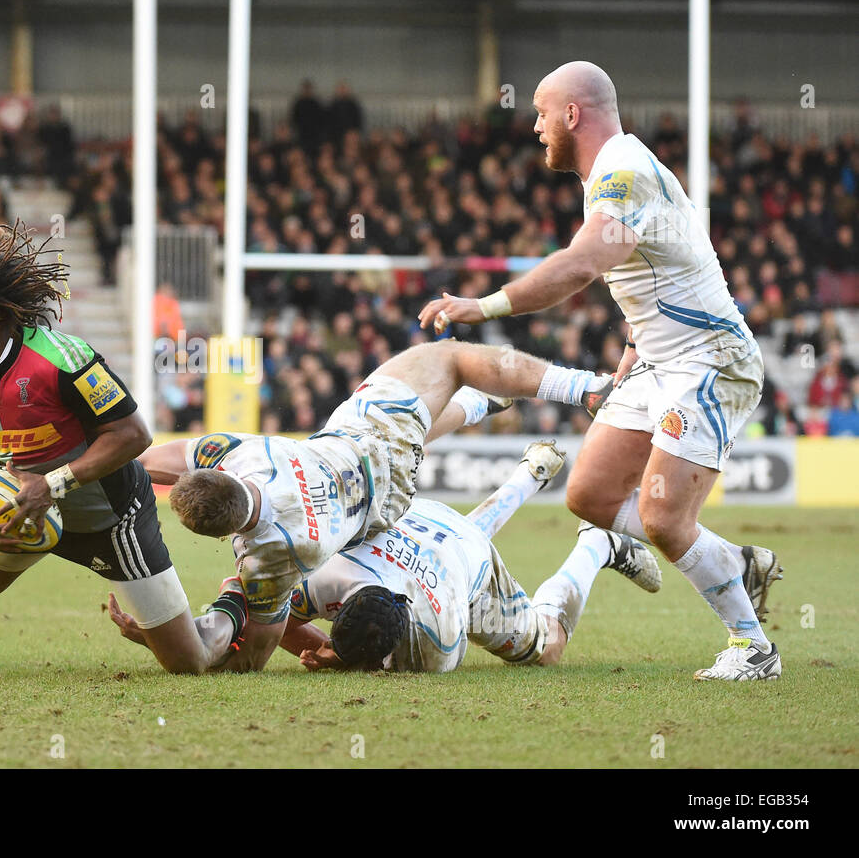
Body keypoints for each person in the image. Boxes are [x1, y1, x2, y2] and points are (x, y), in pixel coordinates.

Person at [417, 61, 782, 681]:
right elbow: (653, 280)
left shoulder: (623, 172)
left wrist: (482, 306)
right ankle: (732, 563)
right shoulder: (613, 174)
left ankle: (753, 647)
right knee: (590, 496)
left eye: (540, 112)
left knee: (665, 520)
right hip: (659, 361)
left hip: (708, 362)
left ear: (572, 114)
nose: (534, 126)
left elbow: (582, 266)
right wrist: (629, 360)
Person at [137, 341, 606, 673]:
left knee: (543, 644)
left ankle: (590, 539)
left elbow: (257, 647)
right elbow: (151, 459)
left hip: (408, 521)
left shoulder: (282, 555)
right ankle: (580, 388)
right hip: (373, 457)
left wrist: (175, 640)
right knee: (448, 358)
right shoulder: (248, 452)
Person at [0, 201, 238, 674]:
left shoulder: (63, 359)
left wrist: (48, 486)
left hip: (111, 518)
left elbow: (133, 435)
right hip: (29, 517)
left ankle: (231, 609)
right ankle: (43, 539)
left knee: (188, 665)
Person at [278, 441, 661, 672]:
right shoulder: (324, 575)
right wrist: (336, 652)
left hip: (469, 572)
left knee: (545, 648)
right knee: (455, 544)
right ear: (339, 604)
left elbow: (285, 624)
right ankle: (530, 474)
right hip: (424, 520)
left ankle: (596, 546)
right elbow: (276, 618)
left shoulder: (435, 644)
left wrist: (339, 659)